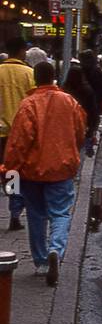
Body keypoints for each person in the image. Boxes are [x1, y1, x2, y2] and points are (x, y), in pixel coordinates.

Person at [0, 61, 86, 285]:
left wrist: (9, 169)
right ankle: (56, 249)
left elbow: (18, 143)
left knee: (36, 216)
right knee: (60, 213)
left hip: (32, 172)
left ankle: (41, 261)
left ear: (35, 79)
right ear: (54, 77)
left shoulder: (28, 105)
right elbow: (79, 133)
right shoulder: (70, 102)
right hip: (61, 169)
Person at [0, 37, 35, 231]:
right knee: (14, 174)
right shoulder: (29, 74)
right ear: (22, 51)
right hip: (19, 135)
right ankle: (14, 212)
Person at [65, 62, 101, 157]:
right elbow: (93, 111)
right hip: (85, 125)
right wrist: (93, 128)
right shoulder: (87, 91)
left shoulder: (65, 92)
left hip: (69, 127)